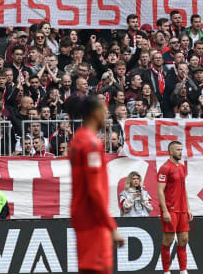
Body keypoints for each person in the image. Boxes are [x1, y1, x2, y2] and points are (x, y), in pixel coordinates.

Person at [69, 95, 124, 274]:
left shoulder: (77, 138)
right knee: (99, 269)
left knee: (87, 268)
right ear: (95, 113)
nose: (106, 115)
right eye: (104, 111)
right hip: (93, 217)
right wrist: (111, 226)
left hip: (81, 213)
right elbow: (94, 190)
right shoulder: (92, 144)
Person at [158, 140, 191, 274]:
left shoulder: (182, 167)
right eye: (178, 150)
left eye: (181, 150)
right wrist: (165, 210)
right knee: (169, 240)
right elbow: (160, 190)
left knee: (184, 239)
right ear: (171, 151)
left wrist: (188, 208)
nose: (180, 152)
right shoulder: (165, 168)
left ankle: (183, 271)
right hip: (170, 210)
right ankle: (166, 271)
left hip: (182, 210)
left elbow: (184, 188)